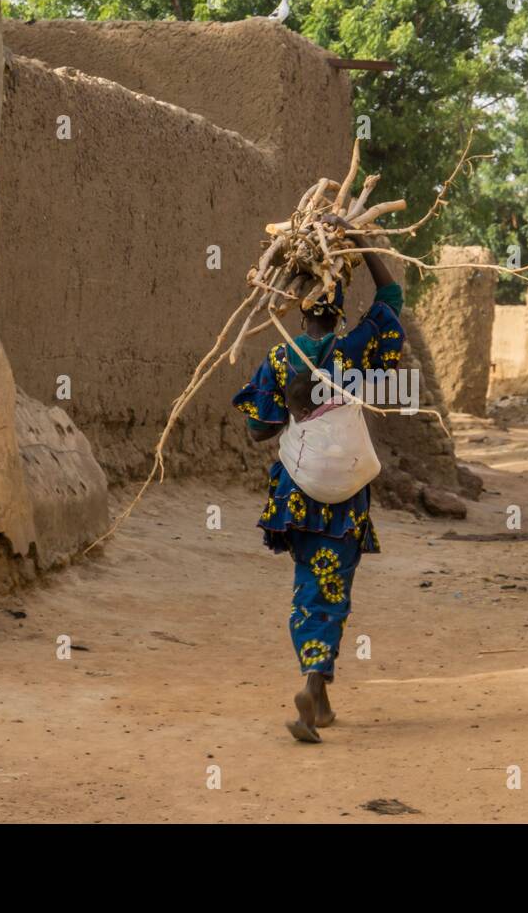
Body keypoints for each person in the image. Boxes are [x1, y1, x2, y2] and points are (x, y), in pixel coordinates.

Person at [231, 223, 404, 743]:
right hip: (347, 494)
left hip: (298, 492)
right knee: (333, 585)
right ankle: (314, 686)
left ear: (298, 308)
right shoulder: (355, 348)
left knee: (311, 583)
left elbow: (259, 429)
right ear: (338, 311)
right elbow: (392, 298)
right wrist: (363, 245)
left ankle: (316, 687)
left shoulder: (281, 358)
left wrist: (289, 405)